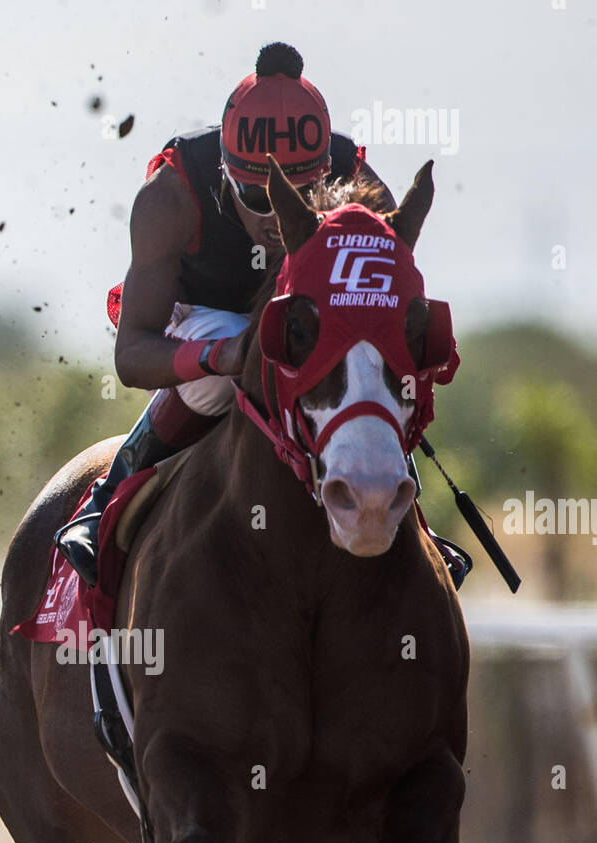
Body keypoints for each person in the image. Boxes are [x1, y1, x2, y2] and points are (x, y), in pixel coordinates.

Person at [55, 41, 469, 589]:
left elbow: (385, 320)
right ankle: (113, 489)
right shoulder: (170, 197)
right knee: (230, 356)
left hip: (308, 321)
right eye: (261, 194)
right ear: (226, 174)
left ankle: (410, 511)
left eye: (303, 194)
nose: (280, 215)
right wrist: (223, 355)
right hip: (206, 319)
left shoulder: (362, 188)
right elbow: (131, 356)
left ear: (329, 174)